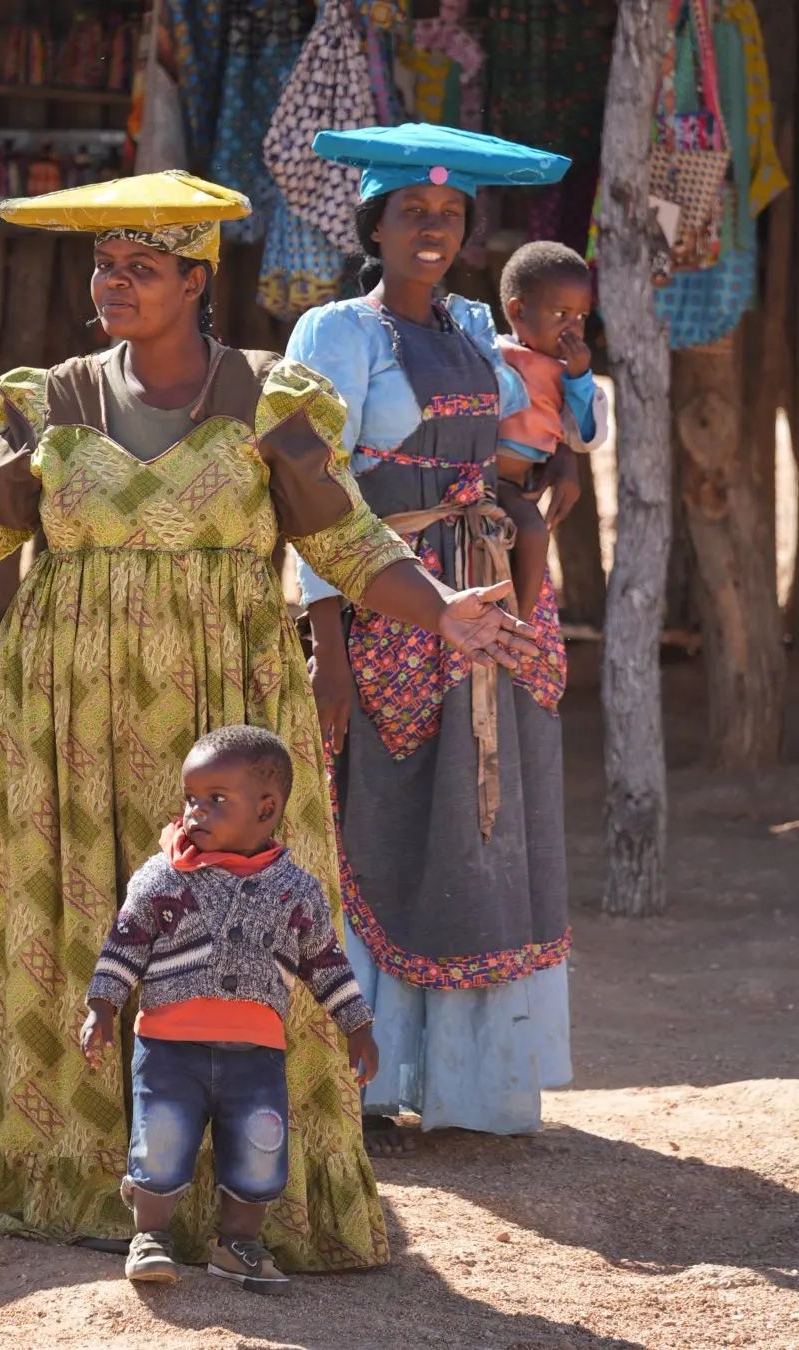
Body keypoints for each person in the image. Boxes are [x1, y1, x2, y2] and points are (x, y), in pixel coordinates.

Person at [0, 169, 535, 1269]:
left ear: (196, 282)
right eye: (104, 264)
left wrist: (441, 609)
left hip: (221, 727)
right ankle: (63, 1164)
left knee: (232, 942)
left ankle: (234, 1194)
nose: (113, 283)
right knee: (59, 933)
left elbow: (345, 544)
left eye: (142, 266)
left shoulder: (272, 400)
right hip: (52, 718)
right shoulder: (43, 402)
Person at [287, 126, 579, 1156]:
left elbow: (518, 446)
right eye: (412, 211)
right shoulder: (338, 334)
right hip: (390, 606)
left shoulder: (473, 326)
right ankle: (365, 1075)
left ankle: (466, 1080)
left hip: (486, 604)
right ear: (374, 225)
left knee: (481, 820)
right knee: (383, 812)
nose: (433, 227)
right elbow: (312, 490)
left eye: (450, 214)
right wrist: (326, 645)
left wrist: (547, 483)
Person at [81, 725, 379, 1292]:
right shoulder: (162, 878)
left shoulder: (296, 890)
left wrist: (357, 1026)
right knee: (161, 1139)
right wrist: (102, 1004)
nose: (195, 812)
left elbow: (326, 962)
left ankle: (237, 1244)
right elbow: (124, 945)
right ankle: (151, 1237)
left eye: (216, 800)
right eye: (191, 798)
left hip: (256, 1058)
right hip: (168, 1050)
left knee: (259, 1149)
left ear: (266, 809)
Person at [496, 241, 606, 620]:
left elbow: (585, 433)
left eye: (581, 317)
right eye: (561, 314)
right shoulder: (492, 352)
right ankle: (517, 623)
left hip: (516, 485)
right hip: (480, 478)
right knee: (527, 534)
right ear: (518, 311)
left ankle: (521, 622)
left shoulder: (567, 376)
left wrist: (580, 378)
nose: (572, 327)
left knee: (533, 534)